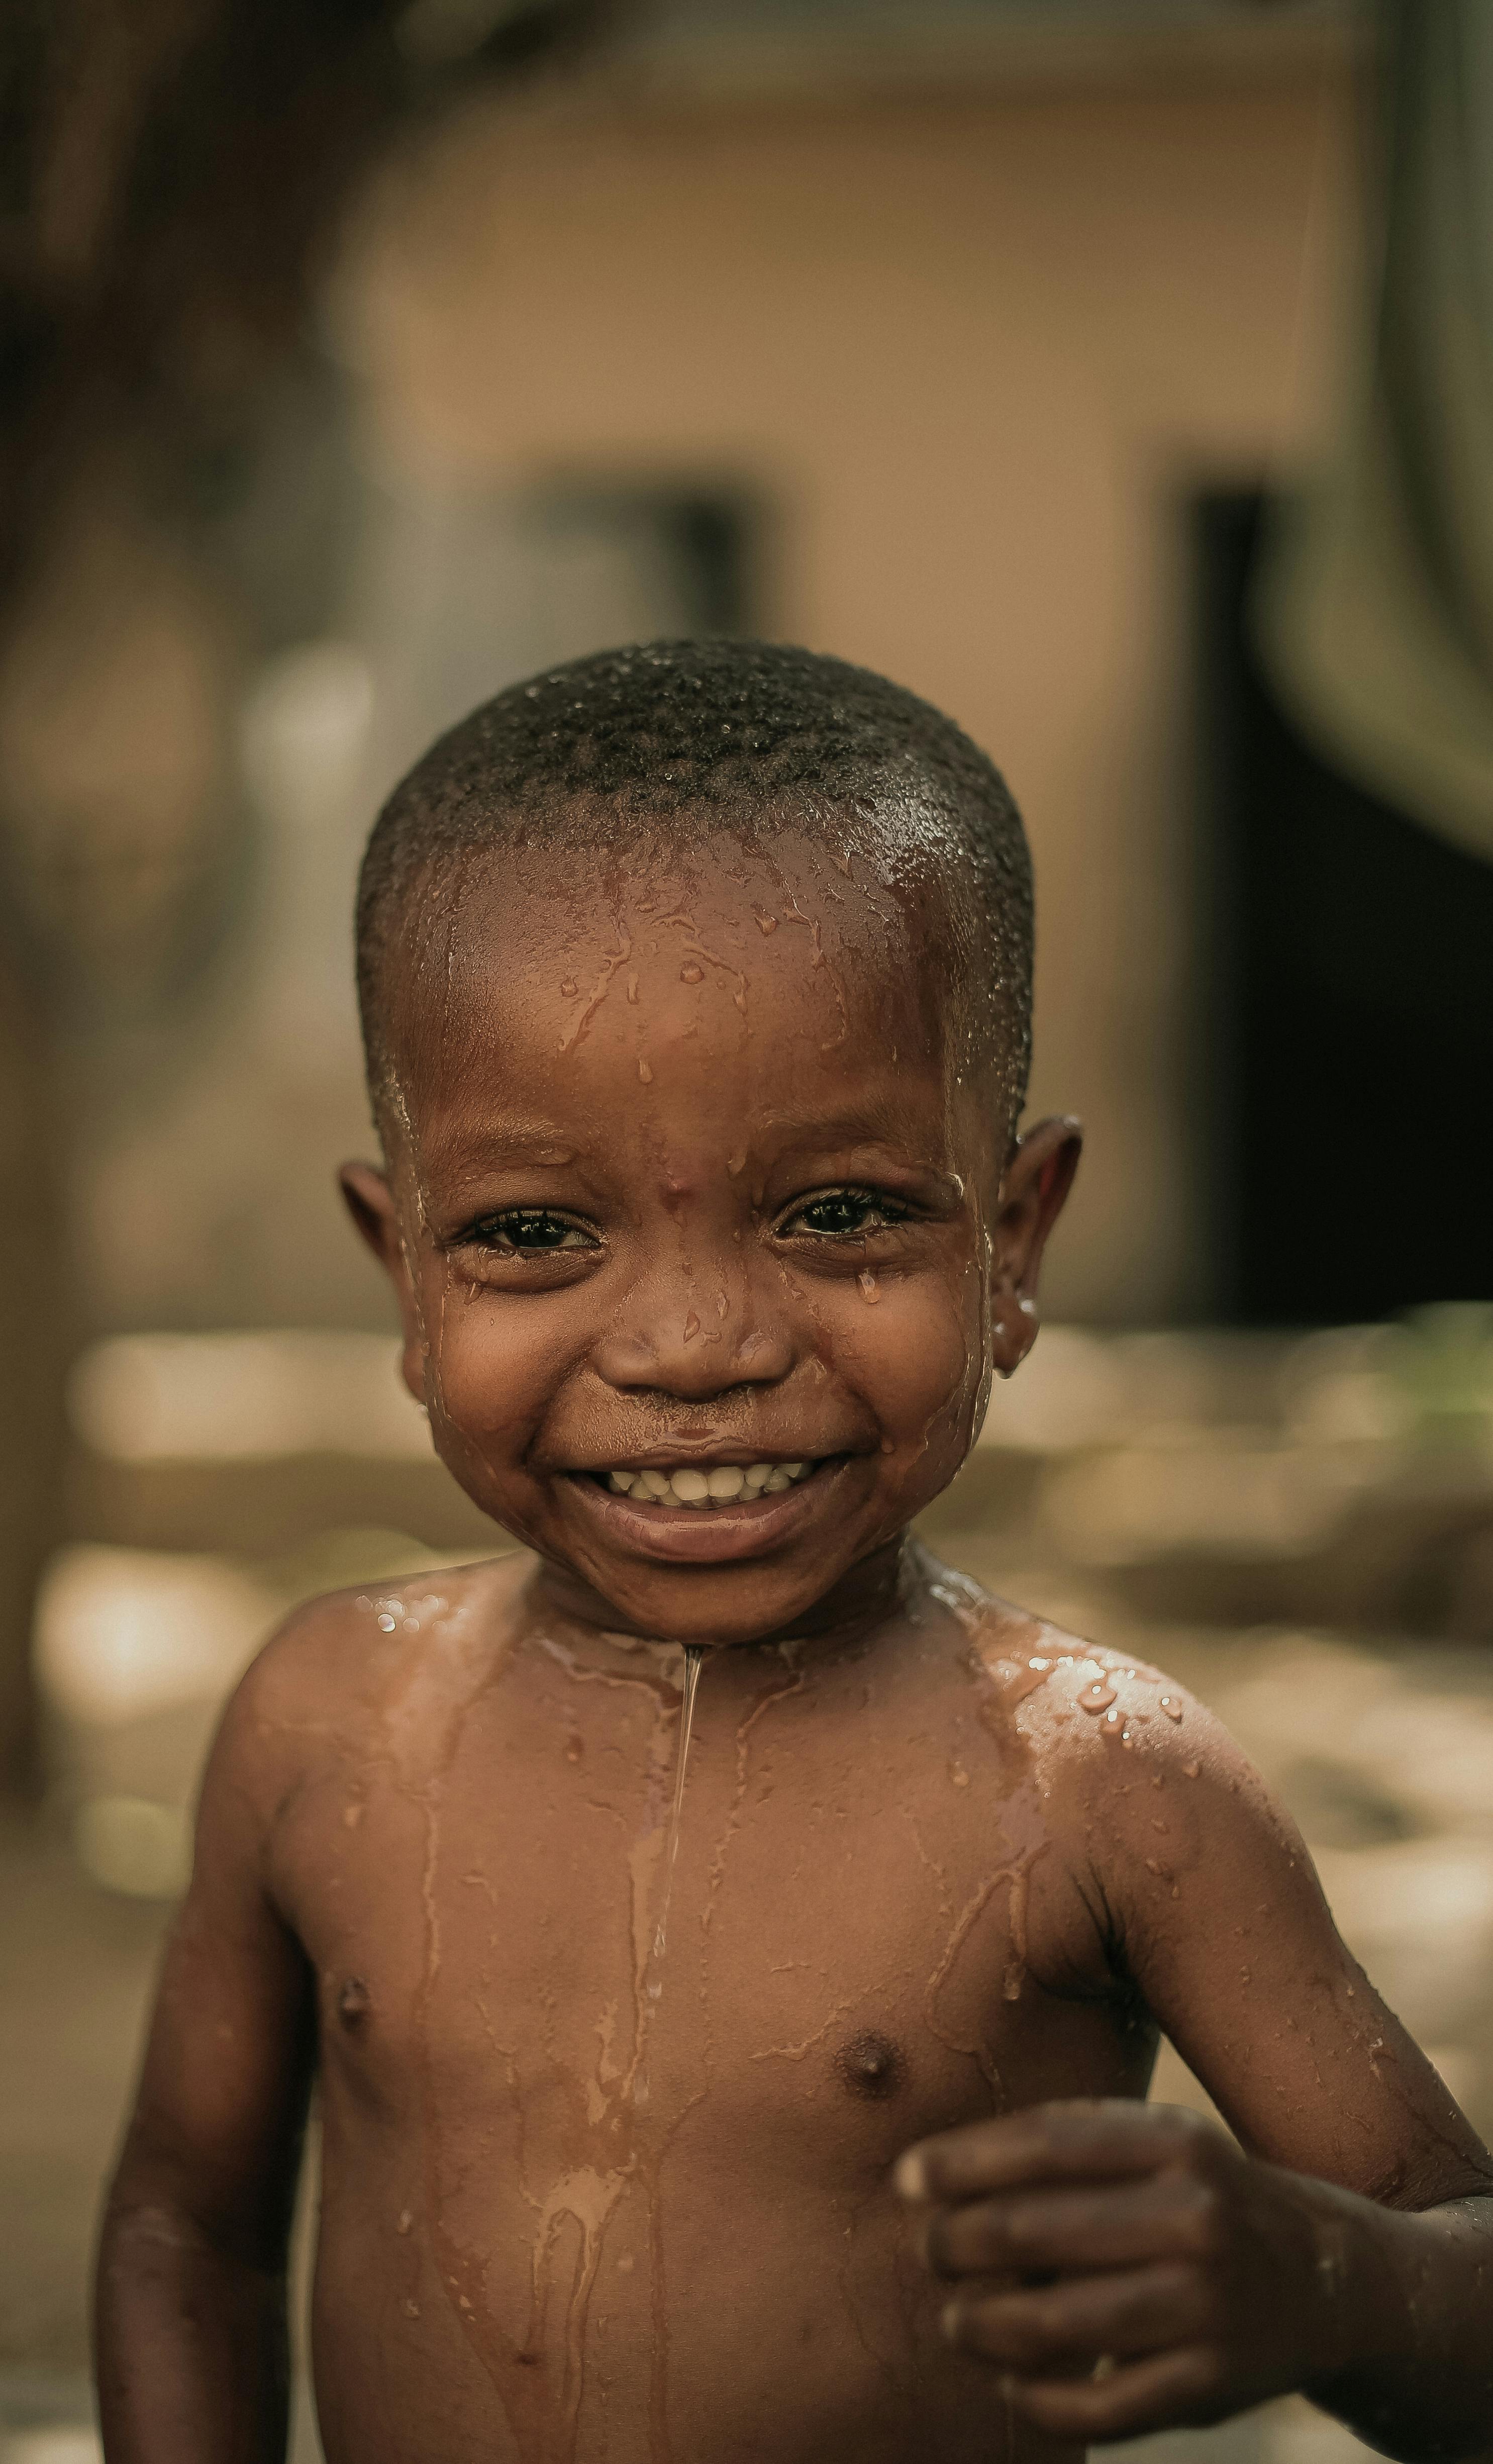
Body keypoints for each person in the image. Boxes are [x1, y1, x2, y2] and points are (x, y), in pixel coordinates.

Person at [96, 642, 1493, 2464]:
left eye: (838, 1215)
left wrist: (1321, 2282)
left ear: (1011, 1241)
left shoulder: (1101, 1788)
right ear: (404, 1274)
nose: (693, 1348)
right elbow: (179, 2231)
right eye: (532, 1230)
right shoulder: (323, 1728)